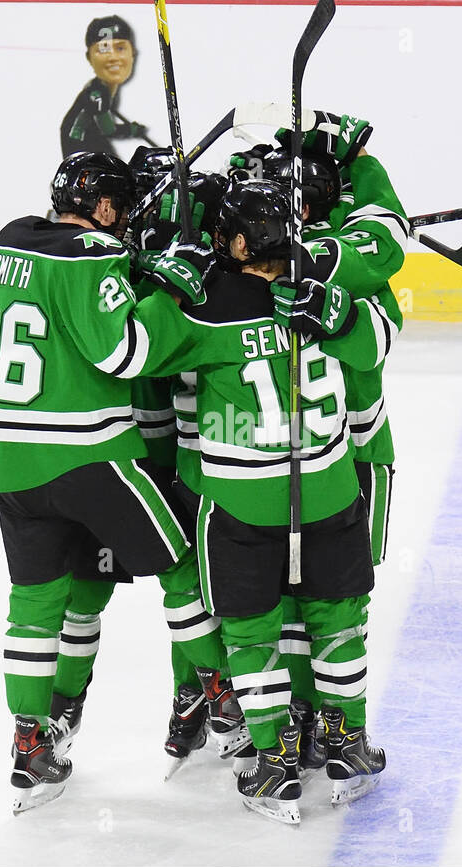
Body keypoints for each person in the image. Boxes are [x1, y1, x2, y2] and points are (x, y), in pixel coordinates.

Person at [133, 180, 398, 823]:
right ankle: (346, 742)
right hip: (330, 491)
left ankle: (276, 761)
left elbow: (134, 353)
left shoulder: (209, 305)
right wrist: (341, 314)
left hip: (242, 502)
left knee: (251, 633)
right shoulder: (326, 285)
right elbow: (377, 345)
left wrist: (166, 281)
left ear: (237, 243)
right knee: (338, 621)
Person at [0, 150, 219, 813]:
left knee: (35, 604)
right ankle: (222, 694)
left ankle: (31, 742)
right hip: (88, 454)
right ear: (108, 208)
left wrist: (135, 267)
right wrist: (171, 290)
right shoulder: (97, 255)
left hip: (9, 459)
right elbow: (126, 353)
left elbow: (65, 293)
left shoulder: (8, 243)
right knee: (179, 560)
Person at [60, 16, 153, 158]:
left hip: (92, 136)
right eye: (103, 49)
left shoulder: (105, 89)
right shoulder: (97, 94)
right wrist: (132, 130)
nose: (113, 57)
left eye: (120, 48)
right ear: (89, 57)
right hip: (79, 143)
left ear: (133, 53)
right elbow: (109, 130)